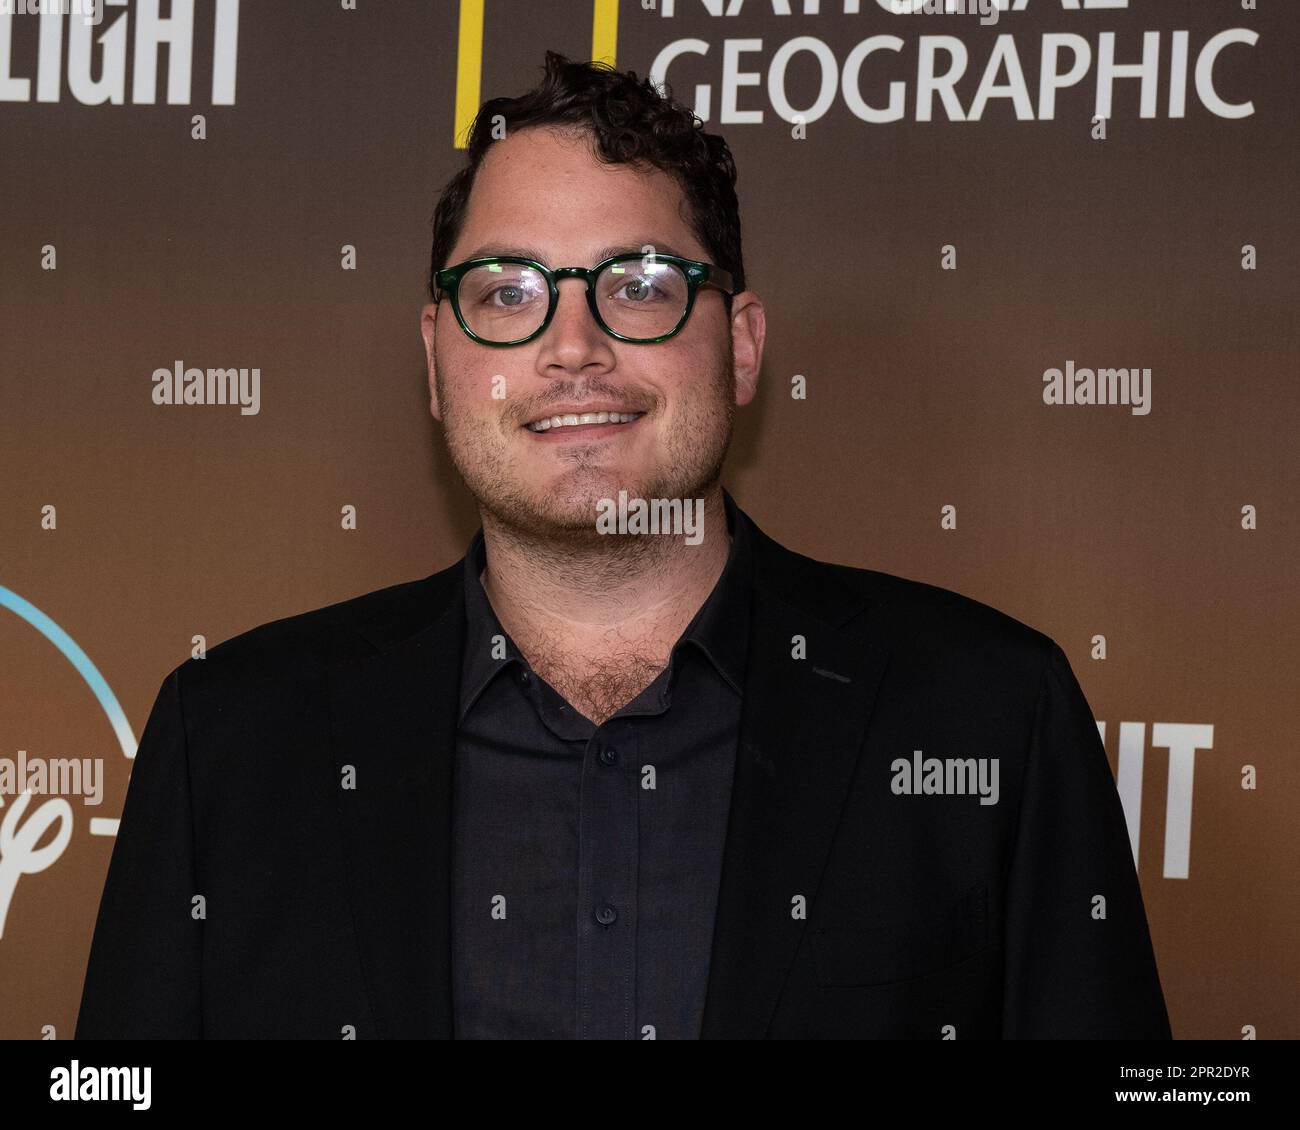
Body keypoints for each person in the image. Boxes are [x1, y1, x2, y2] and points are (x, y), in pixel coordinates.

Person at [76, 51, 1170, 1040]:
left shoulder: (988, 711)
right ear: (435, 357)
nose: (570, 346)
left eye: (639, 285)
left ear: (739, 348)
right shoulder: (231, 736)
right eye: (507, 291)